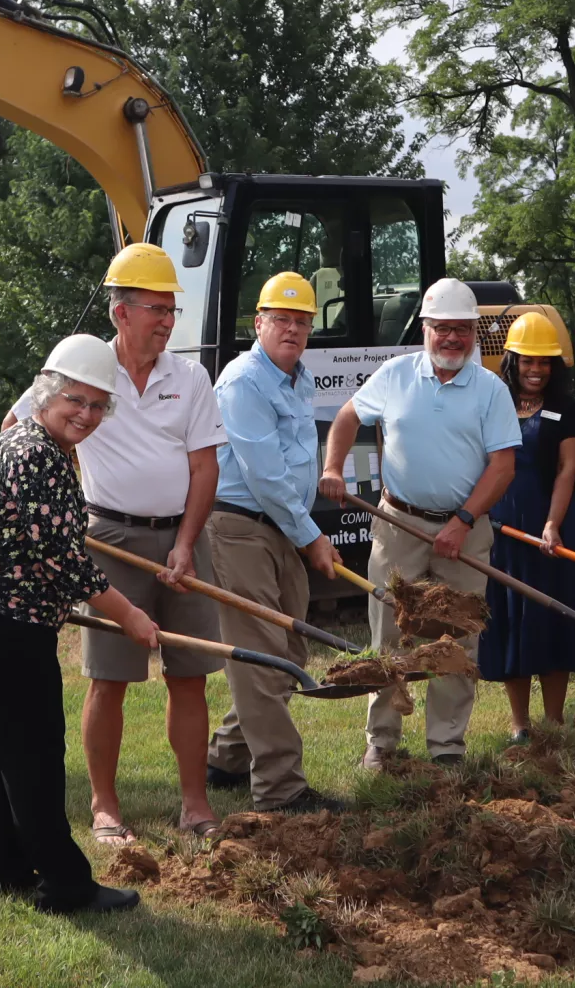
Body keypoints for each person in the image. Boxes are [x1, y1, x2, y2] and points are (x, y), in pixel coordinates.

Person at [0, 334, 160, 915]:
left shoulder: (32, 444)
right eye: (75, 400)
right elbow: (61, 556)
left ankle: (4, 870)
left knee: (1, 745)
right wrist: (129, 614)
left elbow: (40, 548)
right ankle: (66, 885)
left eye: (98, 405)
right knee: (34, 751)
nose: (86, 414)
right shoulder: (34, 452)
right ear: (45, 394)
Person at [3, 242, 226, 844]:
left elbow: (204, 468)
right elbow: (17, 427)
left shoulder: (190, 377)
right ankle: (105, 807)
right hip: (108, 540)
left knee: (191, 674)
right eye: (157, 308)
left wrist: (185, 544)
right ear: (120, 312)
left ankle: (195, 805)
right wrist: (55, 496)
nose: (168, 321)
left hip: (181, 539)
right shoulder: (84, 369)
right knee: (110, 677)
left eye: (172, 309)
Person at [320, 278, 521, 769]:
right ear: (425, 328)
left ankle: (447, 747)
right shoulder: (395, 375)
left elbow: (503, 466)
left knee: (457, 637)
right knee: (388, 633)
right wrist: (332, 468)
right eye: (441, 328)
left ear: (473, 333)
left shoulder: (490, 389)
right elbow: (347, 417)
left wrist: (462, 521)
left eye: (461, 329)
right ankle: (382, 741)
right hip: (397, 525)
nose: (451, 338)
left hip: (465, 532)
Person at [205, 272, 346, 812]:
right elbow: (263, 474)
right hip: (240, 529)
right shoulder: (243, 382)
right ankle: (281, 789)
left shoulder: (298, 379)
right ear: (258, 324)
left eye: (302, 322)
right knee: (264, 657)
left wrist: (304, 528)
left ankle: (226, 757)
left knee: (287, 651)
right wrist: (313, 537)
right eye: (281, 320)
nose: (292, 329)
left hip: (281, 527)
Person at [478, 312, 575, 738]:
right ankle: (520, 725)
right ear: (512, 361)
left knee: (555, 617)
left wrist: (552, 524)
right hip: (505, 526)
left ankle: (553, 723)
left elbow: (567, 472)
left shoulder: (568, 410)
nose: (536, 370)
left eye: (545, 362)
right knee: (511, 616)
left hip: (558, 524)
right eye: (528, 360)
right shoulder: (493, 403)